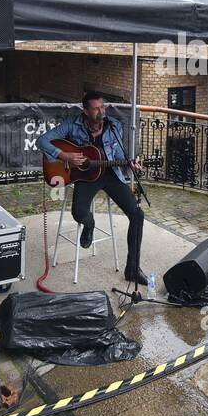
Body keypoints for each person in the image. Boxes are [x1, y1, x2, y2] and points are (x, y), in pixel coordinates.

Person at [37, 92, 147, 285]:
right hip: (86, 177)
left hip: (111, 175)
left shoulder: (114, 126)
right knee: (79, 212)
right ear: (86, 111)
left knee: (137, 215)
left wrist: (130, 164)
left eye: (102, 107)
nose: (101, 112)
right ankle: (89, 224)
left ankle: (132, 269)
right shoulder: (72, 125)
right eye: (96, 108)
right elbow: (42, 141)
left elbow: (120, 154)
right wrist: (64, 156)